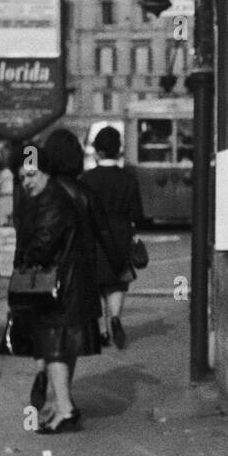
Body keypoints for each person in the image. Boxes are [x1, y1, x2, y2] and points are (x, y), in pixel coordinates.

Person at [12, 130, 123, 434]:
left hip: (51, 280)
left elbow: (33, 239)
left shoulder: (43, 194)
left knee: (53, 342)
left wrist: (21, 264)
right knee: (64, 344)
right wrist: (119, 268)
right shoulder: (83, 192)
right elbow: (104, 235)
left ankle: (62, 405)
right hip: (80, 276)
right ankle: (62, 400)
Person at [82, 126, 143, 349]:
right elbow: (137, 214)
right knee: (117, 282)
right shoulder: (128, 179)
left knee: (96, 285)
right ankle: (115, 319)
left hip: (94, 238)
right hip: (120, 235)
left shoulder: (87, 179)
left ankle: (101, 331)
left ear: (97, 152)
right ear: (118, 151)